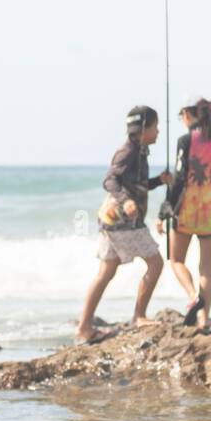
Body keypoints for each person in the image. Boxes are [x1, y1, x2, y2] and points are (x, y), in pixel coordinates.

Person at [75, 105, 173, 345]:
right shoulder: (127, 152)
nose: (158, 131)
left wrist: (158, 182)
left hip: (112, 220)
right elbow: (110, 180)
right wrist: (127, 201)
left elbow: (135, 184)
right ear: (143, 129)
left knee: (105, 273)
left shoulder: (140, 152)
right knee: (156, 263)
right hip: (123, 221)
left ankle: (84, 329)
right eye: (155, 126)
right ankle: (139, 316)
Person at [158, 98, 211, 330]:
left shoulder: (185, 140)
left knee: (176, 260)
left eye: (183, 113)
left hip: (187, 212)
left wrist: (163, 211)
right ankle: (204, 321)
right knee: (206, 268)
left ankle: (192, 297)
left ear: (191, 116)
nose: (182, 118)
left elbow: (180, 179)